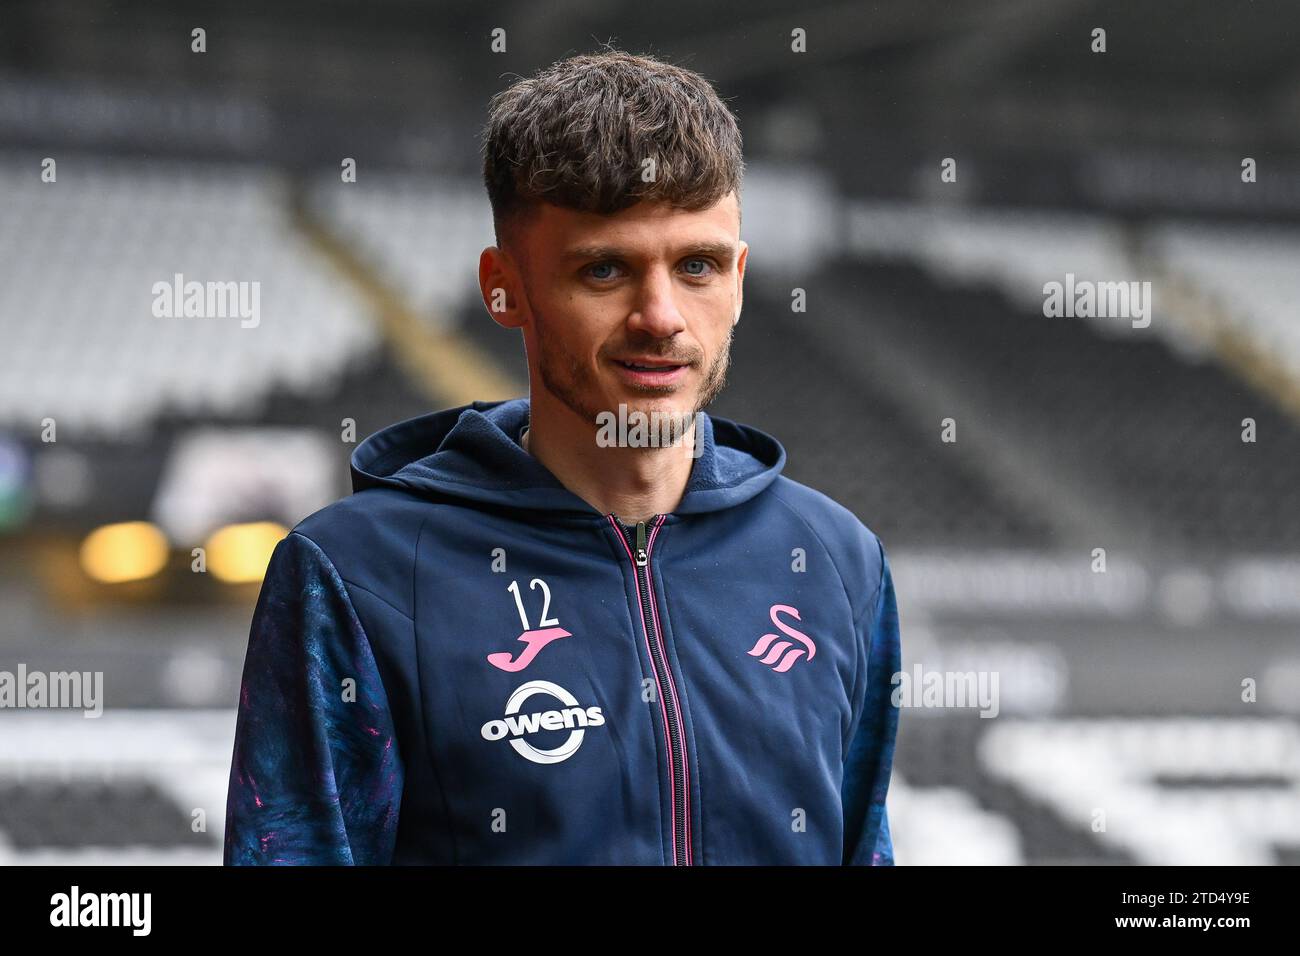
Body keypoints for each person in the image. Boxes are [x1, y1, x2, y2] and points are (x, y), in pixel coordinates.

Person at [223, 48, 900, 865]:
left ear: (741, 278)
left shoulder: (835, 562)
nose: (661, 317)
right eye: (605, 269)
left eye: (697, 266)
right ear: (503, 286)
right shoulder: (354, 577)